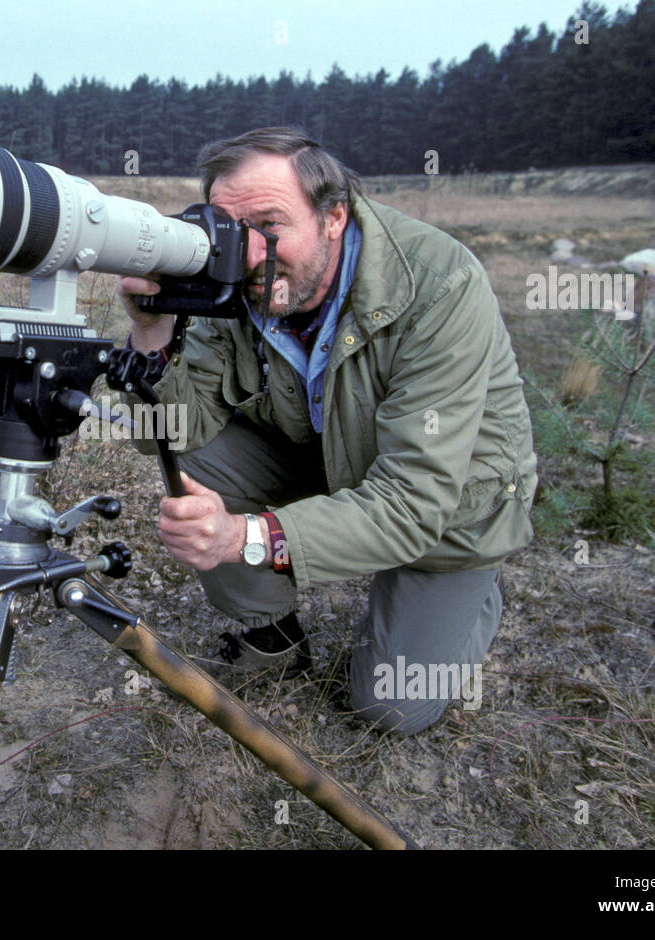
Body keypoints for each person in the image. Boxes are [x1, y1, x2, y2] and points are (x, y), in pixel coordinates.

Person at [118, 128, 538, 734]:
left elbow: (415, 501)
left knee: (391, 707)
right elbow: (165, 431)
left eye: (271, 225)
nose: (251, 254)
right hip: (323, 455)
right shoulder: (237, 279)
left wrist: (245, 538)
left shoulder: (440, 283)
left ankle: (469, 594)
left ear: (334, 215)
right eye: (233, 232)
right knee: (194, 455)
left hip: (447, 510)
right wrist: (151, 333)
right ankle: (272, 634)